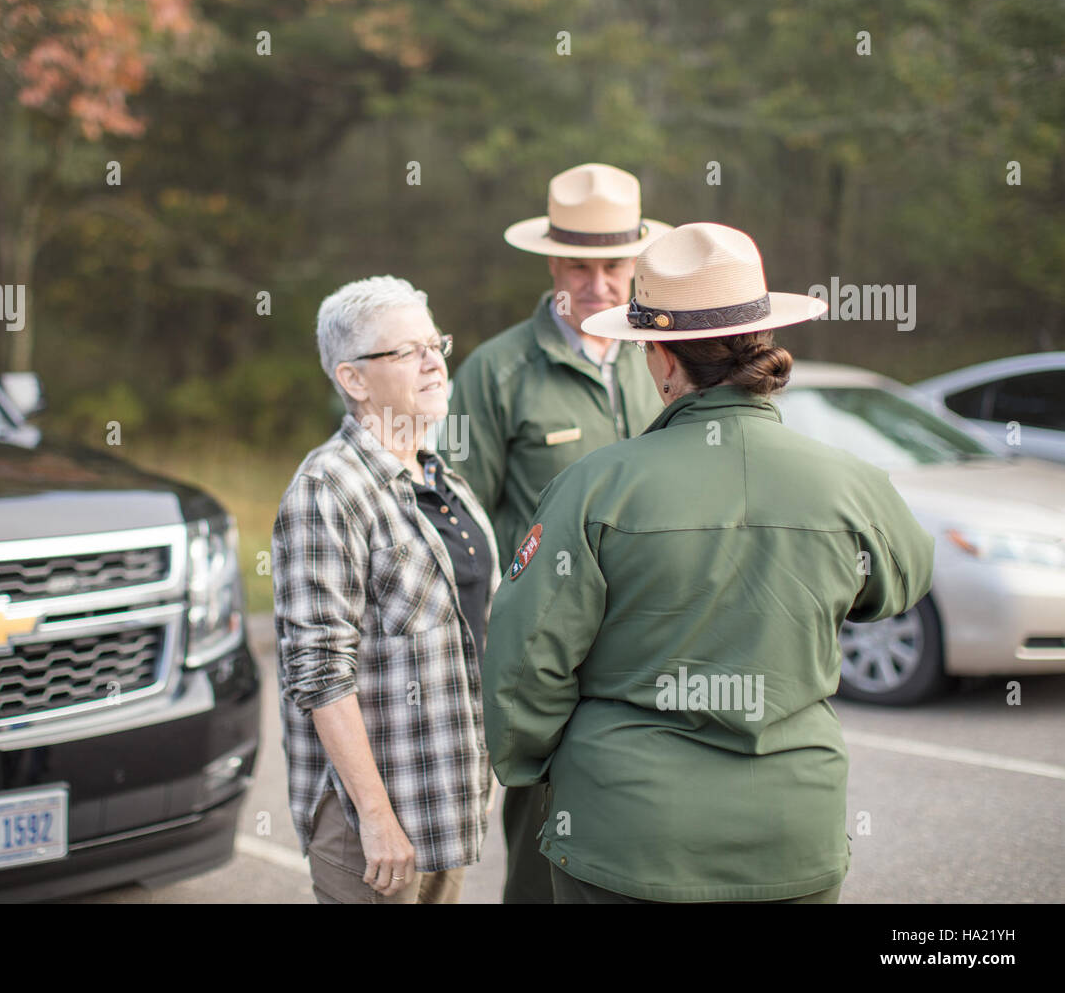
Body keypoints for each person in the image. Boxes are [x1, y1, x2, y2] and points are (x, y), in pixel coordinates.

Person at [482, 222, 935, 903]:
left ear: (662, 359)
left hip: (625, 835)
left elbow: (524, 664)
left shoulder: (595, 486)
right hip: (792, 835)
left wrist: (540, 766)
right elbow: (899, 584)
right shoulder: (853, 483)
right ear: (766, 342)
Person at [446, 162, 670, 903]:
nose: (598, 282)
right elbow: (456, 525)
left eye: (614, 264)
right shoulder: (493, 370)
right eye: (580, 263)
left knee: (645, 853)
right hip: (550, 666)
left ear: (636, 262)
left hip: (653, 651)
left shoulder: (664, 359)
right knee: (546, 860)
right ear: (552, 261)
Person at [273, 275, 499, 904]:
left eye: (435, 344)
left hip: (442, 804)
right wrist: (376, 818)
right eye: (407, 351)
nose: (434, 363)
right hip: (371, 827)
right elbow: (318, 671)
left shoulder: (440, 477)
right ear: (354, 379)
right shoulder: (328, 489)